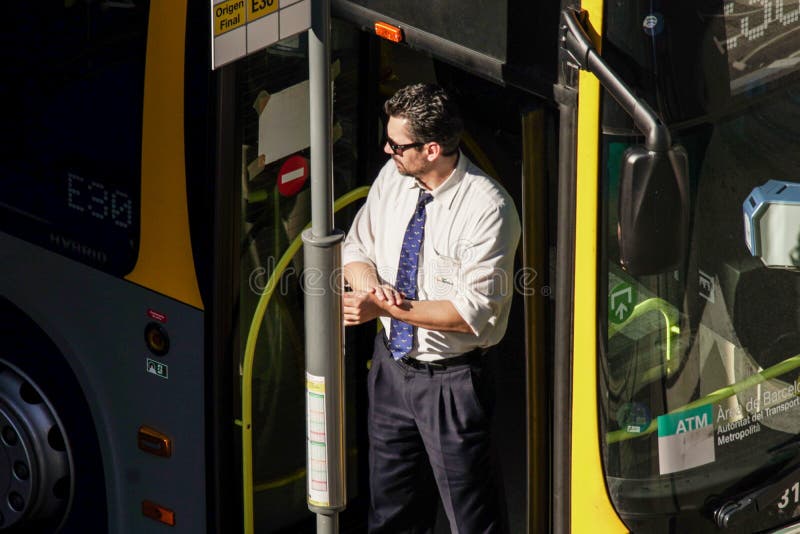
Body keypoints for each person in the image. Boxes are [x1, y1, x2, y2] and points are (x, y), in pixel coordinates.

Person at [342, 83, 521, 533]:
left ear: (432, 149)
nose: (387, 150)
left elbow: (467, 315)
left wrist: (385, 311)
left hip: (452, 383)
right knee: (391, 513)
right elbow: (356, 249)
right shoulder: (394, 178)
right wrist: (375, 292)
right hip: (392, 369)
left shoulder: (488, 209)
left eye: (397, 145)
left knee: (471, 519)